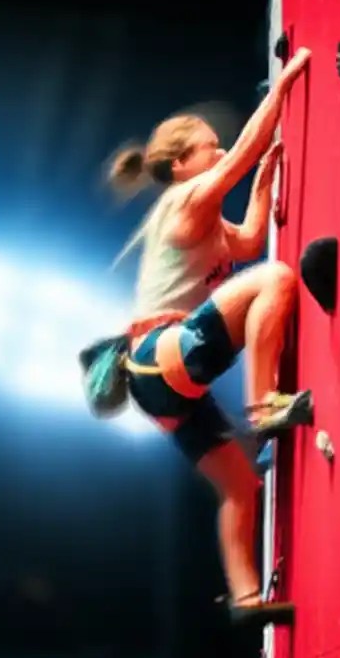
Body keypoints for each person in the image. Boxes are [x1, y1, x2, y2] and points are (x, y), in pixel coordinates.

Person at [85, 47, 312, 627]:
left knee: (239, 486)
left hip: (163, 388)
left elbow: (250, 238)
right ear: (183, 165)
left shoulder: (206, 221)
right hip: (158, 357)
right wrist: (282, 87)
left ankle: (245, 600)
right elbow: (242, 154)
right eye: (208, 146)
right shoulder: (184, 202)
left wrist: (263, 184)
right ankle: (264, 405)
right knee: (279, 279)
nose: (216, 151)